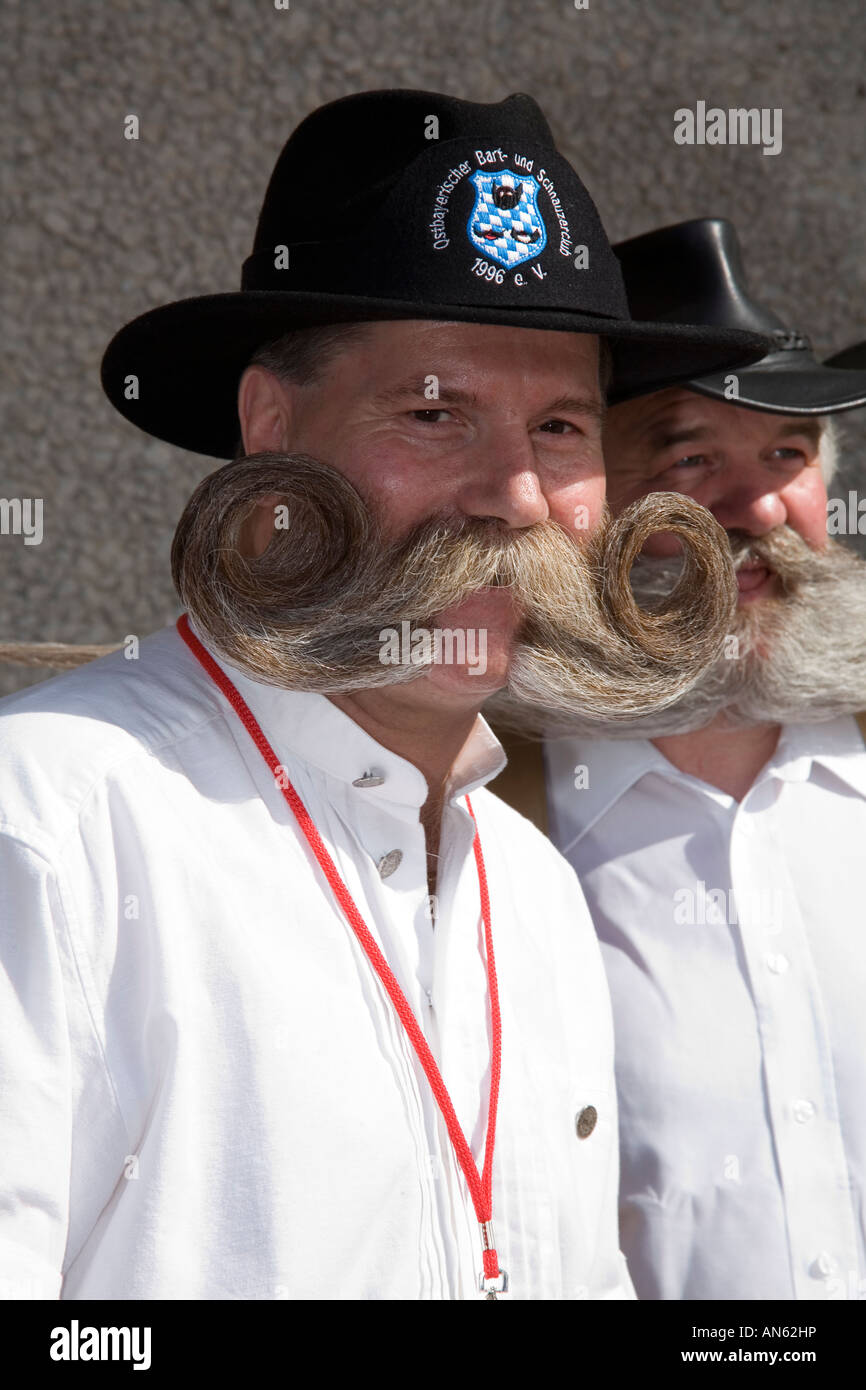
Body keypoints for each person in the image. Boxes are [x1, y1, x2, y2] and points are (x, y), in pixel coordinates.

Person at [0, 97, 761, 1303]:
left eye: (558, 426)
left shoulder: (534, 890)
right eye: (431, 411)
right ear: (269, 430)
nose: (511, 494)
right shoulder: (52, 820)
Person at [520, 218, 866, 1300]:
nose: (758, 507)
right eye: (689, 461)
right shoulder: (493, 823)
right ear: (589, 504)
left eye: (786, 456)